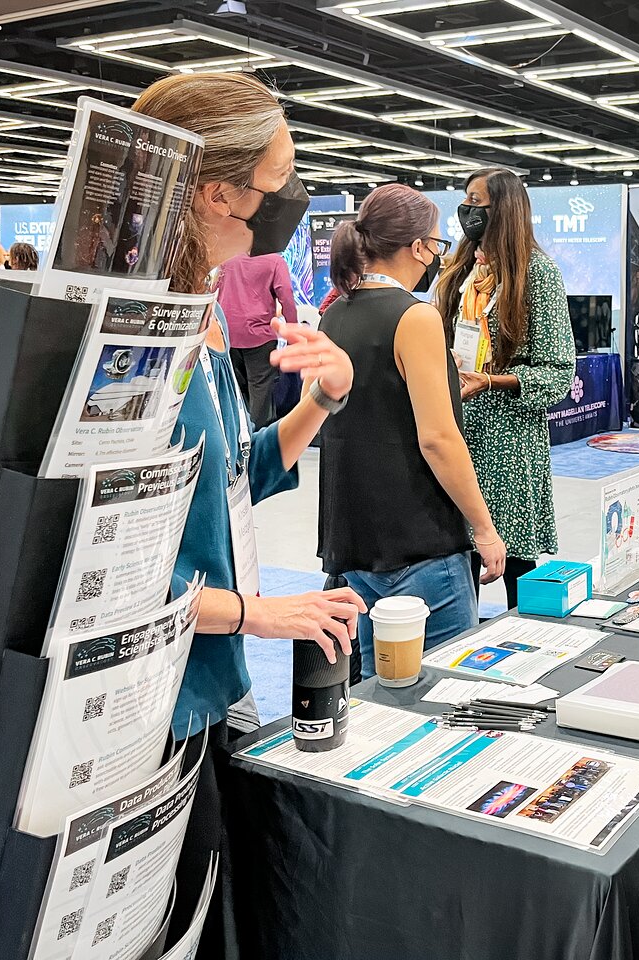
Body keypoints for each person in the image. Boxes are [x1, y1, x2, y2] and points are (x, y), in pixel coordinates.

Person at [133, 71, 363, 960]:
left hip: (212, 697)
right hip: (146, 717)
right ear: (216, 192)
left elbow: (238, 476)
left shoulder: (205, 323)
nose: (290, 205)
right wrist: (259, 615)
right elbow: (105, 575)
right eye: (278, 182)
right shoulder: (132, 341)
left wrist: (317, 402)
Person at [319, 184, 507, 682]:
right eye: (438, 244)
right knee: (441, 694)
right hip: (419, 543)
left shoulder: (335, 313)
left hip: (352, 540)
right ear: (419, 247)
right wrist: (484, 528)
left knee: (368, 698)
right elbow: (438, 439)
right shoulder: (415, 317)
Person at [434, 167, 575, 610]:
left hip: (509, 440)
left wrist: (492, 380)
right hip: (457, 429)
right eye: (466, 201)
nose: (467, 211)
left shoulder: (538, 275)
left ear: (505, 210)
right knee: (459, 556)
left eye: (478, 203)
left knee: (515, 560)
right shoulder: (459, 270)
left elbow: (558, 372)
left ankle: (526, 650)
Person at [215, 251, 297, 426]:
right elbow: (287, 296)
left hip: (227, 335)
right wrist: (292, 333)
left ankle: (238, 438)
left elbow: (213, 290)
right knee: (261, 394)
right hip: (260, 338)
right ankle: (255, 443)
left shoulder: (227, 257)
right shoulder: (275, 261)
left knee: (234, 392)